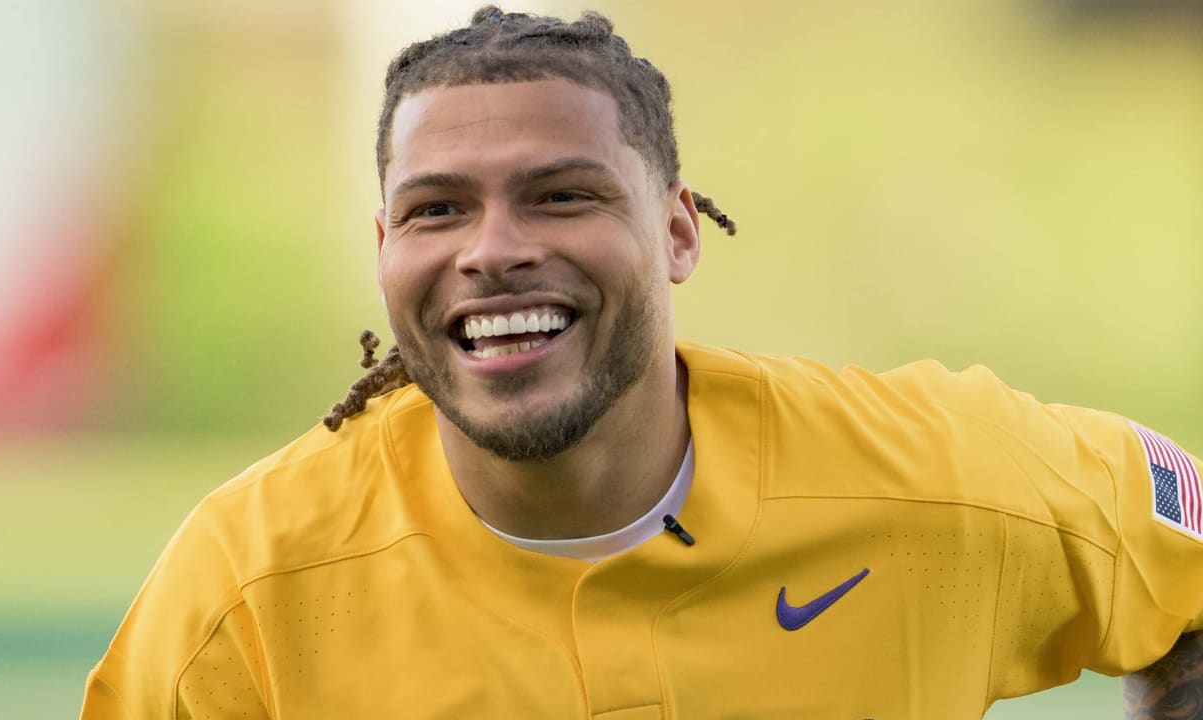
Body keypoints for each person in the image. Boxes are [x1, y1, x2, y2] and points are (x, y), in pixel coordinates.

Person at [80, 6, 1202, 718]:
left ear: (675, 231)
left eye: (561, 195)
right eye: (436, 211)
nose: (495, 251)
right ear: (384, 251)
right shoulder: (249, 591)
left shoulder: (938, 479)